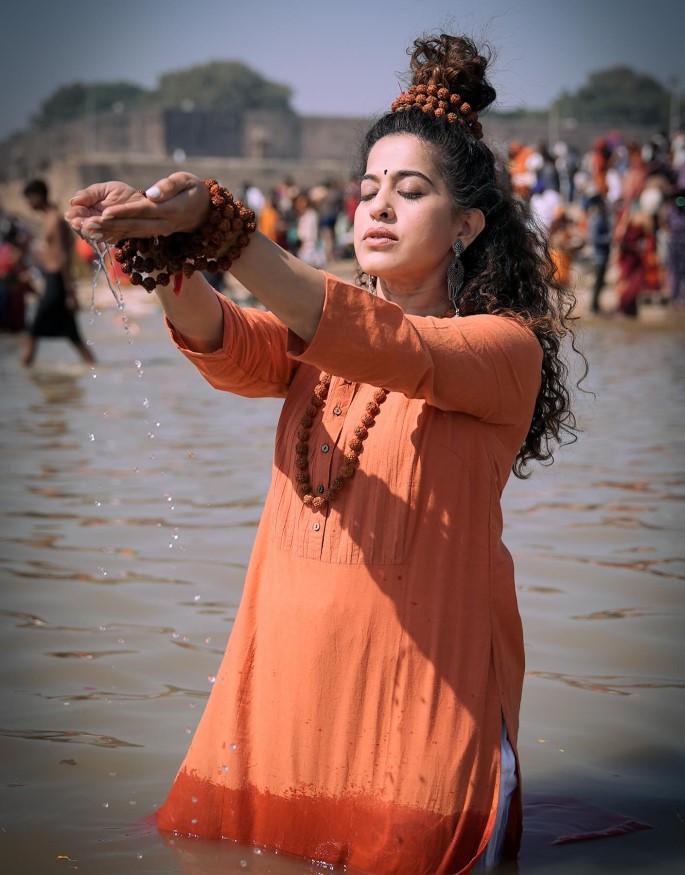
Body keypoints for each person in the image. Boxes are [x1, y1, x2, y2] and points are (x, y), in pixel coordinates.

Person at [66, 34, 582, 874]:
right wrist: (161, 246)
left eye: (409, 191)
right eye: (368, 188)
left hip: (422, 721)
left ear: (467, 225)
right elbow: (228, 343)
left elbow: (389, 345)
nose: (377, 206)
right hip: (283, 714)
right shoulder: (319, 344)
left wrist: (225, 232)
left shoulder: (502, 349)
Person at [21, 179, 95, 366]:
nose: (28, 204)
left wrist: (70, 292)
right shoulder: (47, 217)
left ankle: (24, 369)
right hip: (52, 279)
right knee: (73, 335)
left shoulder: (54, 219)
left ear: (38, 196)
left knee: (33, 329)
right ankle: (93, 366)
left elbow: (63, 256)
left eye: (29, 199)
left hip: (58, 282)